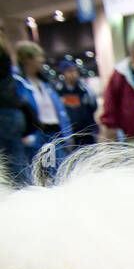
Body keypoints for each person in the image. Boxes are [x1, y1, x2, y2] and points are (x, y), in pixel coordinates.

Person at [11, 42, 71, 177]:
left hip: (55, 133)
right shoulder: (18, 84)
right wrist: (24, 134)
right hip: (35, 136)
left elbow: (60, 111)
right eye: (39, 57)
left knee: (60, 172)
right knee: (37, 174)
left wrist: (67, 133)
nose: (42, 60)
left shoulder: (47, 83)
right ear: (27, 59)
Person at [0, 23, 34, 180]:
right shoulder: (5, 51)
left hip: (4, 113)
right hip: (13, 113)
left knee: (11, 166)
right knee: (17, 161)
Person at [54, 62, 98, 151]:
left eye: (75, 71)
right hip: (69, 133)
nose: (73, 74)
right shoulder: (58, 91)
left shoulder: (85, 89)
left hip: (87, 132)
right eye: (70, 71)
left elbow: (93, 106)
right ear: (63, 73)